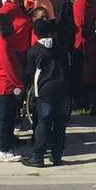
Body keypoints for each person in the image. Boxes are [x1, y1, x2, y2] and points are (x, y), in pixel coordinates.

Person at [0, 0, 31, 162]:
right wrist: (18, 84)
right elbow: (5, 63)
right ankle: (1, 146)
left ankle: (6, 141)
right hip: (6, 76)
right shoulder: (5, 13)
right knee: (4, 115)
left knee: (9, 113)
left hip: (15, 61)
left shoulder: (20, 9)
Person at [23, 17, 71, 168]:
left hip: (45, 91)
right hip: (63, 88)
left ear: (35, 33)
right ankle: (57, 155)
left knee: (43, 123)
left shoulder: (34, 50)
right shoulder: (60, 46)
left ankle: (38, 156)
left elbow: (30, 73)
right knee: (60, 123)